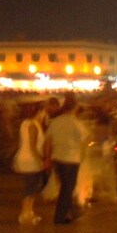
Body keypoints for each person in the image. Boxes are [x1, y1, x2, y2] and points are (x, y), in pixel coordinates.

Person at [43, 95, 88, 225]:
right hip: (71, 158)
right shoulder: (76, 123)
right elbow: (85, 139)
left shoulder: (56, 122)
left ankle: (70, 212)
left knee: (65, 186)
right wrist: (82, 155)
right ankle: (60, 216)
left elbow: (47, 142)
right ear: (74, 108)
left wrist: (47, 158)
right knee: (67, 188)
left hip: (57, 157)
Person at [12, 102, 47, 226]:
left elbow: (21, 142)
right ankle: (25, 214)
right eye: (44, 112)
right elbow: (32, 146)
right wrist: (40, 160)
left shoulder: (24, 123)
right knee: (31, 188)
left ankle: (29, 212)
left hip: (24, 157)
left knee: (31, 187)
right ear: (39, 112)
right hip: (31, 160)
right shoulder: (33, 125)